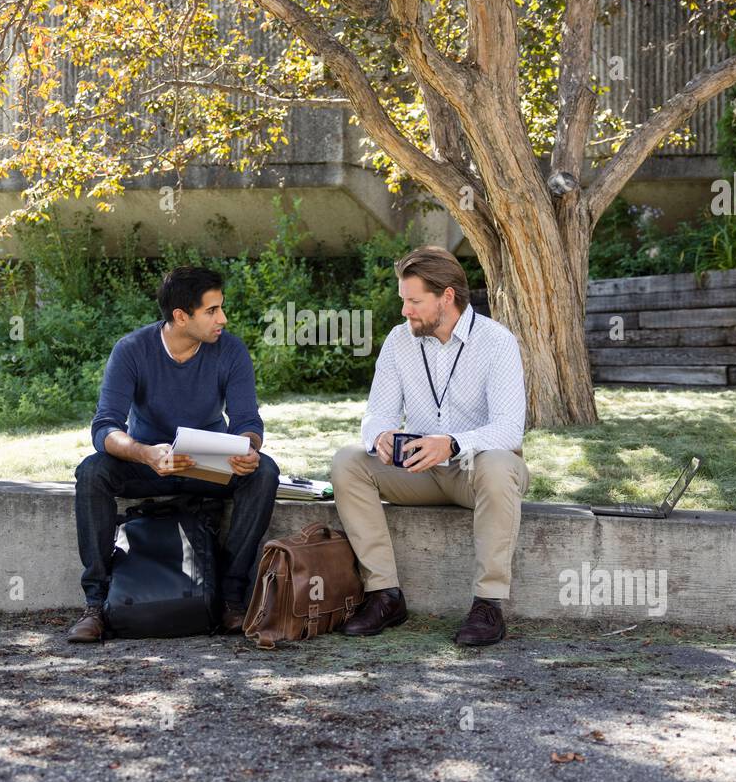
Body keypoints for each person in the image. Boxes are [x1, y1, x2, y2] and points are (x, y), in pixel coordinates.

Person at [68, 266, 279, 643]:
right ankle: (96, 605)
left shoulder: (229, 349)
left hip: (207, 464)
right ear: (181, 317)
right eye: (212, 311)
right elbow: (105, 427)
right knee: (92, 472)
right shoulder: (132, 350)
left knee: (263, 472)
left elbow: (248, 419)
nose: (223, 319)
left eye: (221, 309)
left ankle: (230, 599)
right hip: (149, 463)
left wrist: (248, 447)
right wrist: (144, 453)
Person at [331, 246, 529, 647]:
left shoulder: (496, 342)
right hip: (419, 471)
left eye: (414, 301)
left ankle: (488, 605)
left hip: (476, 472)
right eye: (403, 300)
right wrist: (381, 436)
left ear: (447, 297)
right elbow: (375, 414)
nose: (405, 310)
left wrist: (452, 443)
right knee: (347, 461)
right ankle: (385, 594)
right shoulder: (399, 341)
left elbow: (510, 430)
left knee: (496, 464)